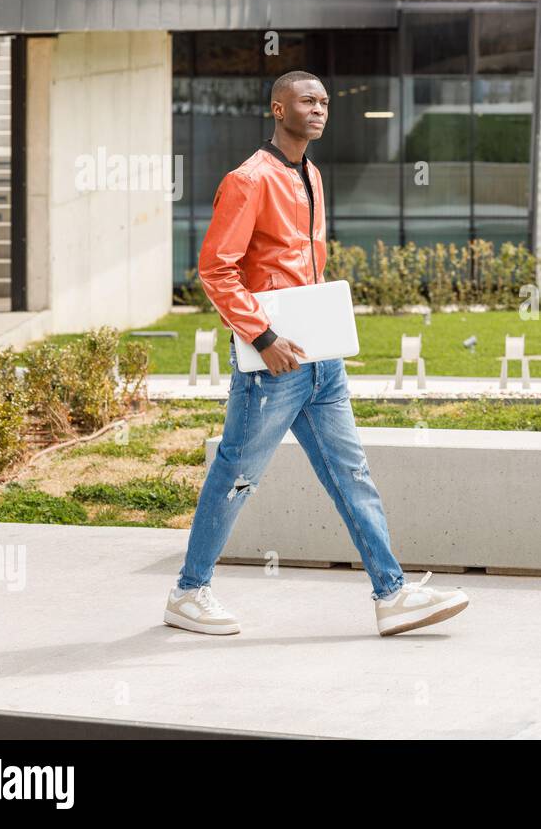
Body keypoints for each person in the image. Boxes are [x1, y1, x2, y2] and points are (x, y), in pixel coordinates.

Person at [164, 70, 469, 637]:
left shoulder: (312, 174)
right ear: (278, 109)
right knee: (236, 474)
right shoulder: (248, 180)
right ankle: (188, 592)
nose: (320, 109)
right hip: (271, 365)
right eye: (308, 100)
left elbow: (306, 263)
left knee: (352, 473)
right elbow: (216, 268)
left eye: (326, 101)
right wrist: (262, 337)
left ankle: (392, 594)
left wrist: (324, 324)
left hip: (321, 360)